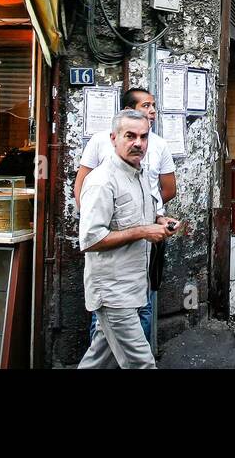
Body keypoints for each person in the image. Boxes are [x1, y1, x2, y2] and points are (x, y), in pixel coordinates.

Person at [75, 88, 176, 345]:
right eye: (131, 136)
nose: (138, 143)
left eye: (143, 137)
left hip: (136, 278)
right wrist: (142, 230)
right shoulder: (101, 181)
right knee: (140, 360)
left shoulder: (140, 173)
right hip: (114, 288)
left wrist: (158, 221)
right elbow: (90, 238)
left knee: (102, 354)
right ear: (114, 138)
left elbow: (161, 196)